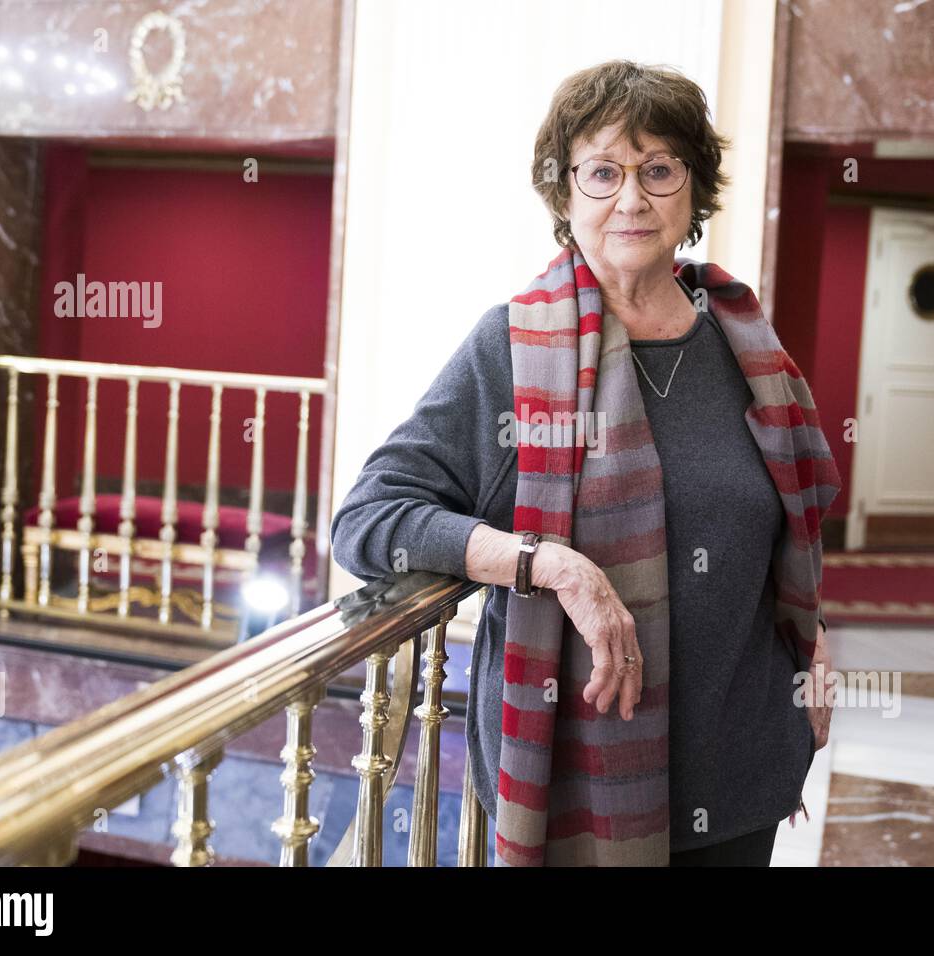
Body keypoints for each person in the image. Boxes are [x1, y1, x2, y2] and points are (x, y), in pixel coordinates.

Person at [331, 59, 840, 866]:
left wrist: (814, 643)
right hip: (579, 783)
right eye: (603, 171)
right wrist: (549, 565)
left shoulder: (746, 344)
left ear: (694, 191)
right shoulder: (511, 350)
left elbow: (792, 531)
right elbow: (369, 521)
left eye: (659, 170)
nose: (631, 199)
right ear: (565, 193)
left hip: (742, 767)